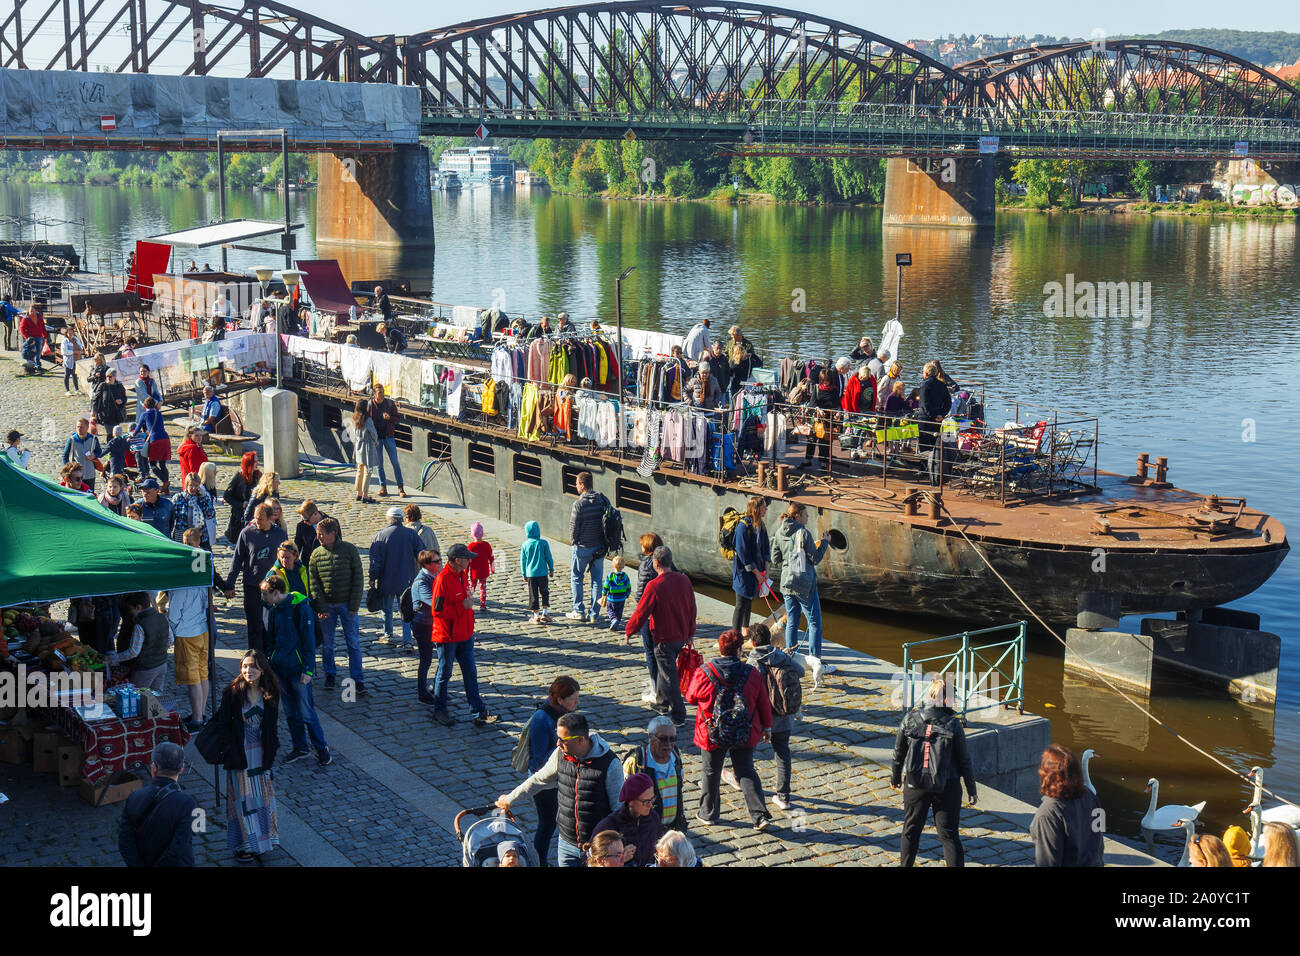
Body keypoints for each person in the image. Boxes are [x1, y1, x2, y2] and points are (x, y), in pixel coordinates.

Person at [497, 712, 626, 867]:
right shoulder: (560, 754)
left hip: (597, 847)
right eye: (557, 737)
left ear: (580, 740)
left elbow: (618, 809)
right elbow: (539, 780)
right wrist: (510, 799)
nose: (557, 743)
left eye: (562, 740)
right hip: (566, 842)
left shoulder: (609, 764)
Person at [686, 629, 773, 830]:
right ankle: (759, 816)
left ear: (721, 648)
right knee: (746, 771)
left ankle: (708, 813)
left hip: (712, 732)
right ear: (740, 649)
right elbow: (763, 702)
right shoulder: (751, 673)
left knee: (711, 771)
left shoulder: (704, 671)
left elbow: (691, 698)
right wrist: (766, 727)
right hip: (744, 730)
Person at [891, 676, 977, 867]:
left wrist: (896, 777)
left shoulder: (910, 718)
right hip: (947, 785)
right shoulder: (953, 724)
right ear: (945, 699)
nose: (955, 700)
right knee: (948, 835)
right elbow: (964, 761)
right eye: (954, 696)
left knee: (911, 830)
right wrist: (971, 789)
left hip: (915, 783)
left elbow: (898, 752)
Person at [210, 650, 281, 862]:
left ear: (262, 670)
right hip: (240, 755)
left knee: (261, 799)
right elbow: (223, 725)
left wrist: (271, 753)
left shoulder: (271, 693)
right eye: (245, 666)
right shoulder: (231, 693)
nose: (248, 670)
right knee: (242, 802)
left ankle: (263, 841)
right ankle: (244, 845)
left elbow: (272, 728)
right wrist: (229, 750)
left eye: (253, 666)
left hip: (260, 754)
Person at [261, 576, 332, 767]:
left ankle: (321, 748)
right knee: (291, 712)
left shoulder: (301, 608)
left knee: (306, 711)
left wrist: (308, 669)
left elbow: (309, 641)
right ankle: (300, 747)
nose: (263, 598)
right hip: (280, 669)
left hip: (298, 669)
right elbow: (271, 639)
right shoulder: (275, 610)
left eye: (265, 594)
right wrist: (271, 662)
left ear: (276, 593)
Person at [624, 546, 695, 726]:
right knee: (665, 672)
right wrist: (690, 632)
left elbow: (641, 612)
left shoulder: (654, 586)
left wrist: (629, 631)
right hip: (681, 635)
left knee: (669, 675)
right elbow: (692, 609)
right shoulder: (684, 580)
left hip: (664, 638)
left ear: (655, 563)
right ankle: (662, 704)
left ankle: (679, 714)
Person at [429, 543, 494, 727]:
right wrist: (462, 607)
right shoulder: (442, 580)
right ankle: (439, 710)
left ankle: (478, 711)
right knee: (444, 673)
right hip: (448, 637)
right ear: (457, 560)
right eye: (466, 558)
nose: (469, 561)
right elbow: (437, 611)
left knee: (470, 673)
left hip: (464, 634)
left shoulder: (461, 575)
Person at [747, 622, 804, 811]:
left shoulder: (754, 660)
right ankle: (784, 797)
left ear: (753, 642)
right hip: (784, 715)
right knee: (782, 753)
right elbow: (802, 671)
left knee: (746, 754)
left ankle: (744, 782)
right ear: (769, 639)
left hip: (761, 718)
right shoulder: (780, 655)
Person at [524, 675, 580, 865]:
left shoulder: (565, 715)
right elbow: (537, 760)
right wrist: (563, 748)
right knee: (547, 825)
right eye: (573, 699)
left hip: (562, 778)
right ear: (559, 700)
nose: (577, 703)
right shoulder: (541, 719)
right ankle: (538, 861)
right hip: (545, 784)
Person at [308, 517, 365, 695]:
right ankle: (330, 674)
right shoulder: (316, 555)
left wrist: (354, 605)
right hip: (327, 607)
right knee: (327, 644)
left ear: (333, 533)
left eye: (321, 534)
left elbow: (358, 579)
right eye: (317, 534)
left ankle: (358, 678)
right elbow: (314, 583)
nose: (319, 538)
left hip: (347, 604)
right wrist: (321, 607)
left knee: (353, 643)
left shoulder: (349, 550)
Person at [117, 742, 198, 867]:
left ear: (153, 768)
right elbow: (179, 846)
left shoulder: (134, 797)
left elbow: (125, 840)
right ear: (181, 768)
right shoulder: (187, 803)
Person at [221, 501, 287, 653]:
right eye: (256, 518)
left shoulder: (279, 534)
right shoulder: (247, 533)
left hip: (273, 588)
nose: (257, 522)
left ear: (270, 518)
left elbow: (285, 558)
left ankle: (271, 657)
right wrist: (229, 584)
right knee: (254, 626)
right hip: (252, 586)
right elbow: (237, 559)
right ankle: (256, 659)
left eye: (261, 519)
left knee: (272, 625)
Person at [1029, 744, 1105, 867]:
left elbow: (1048, 862)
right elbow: (1099, 842)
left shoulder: (1048, 813)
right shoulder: (1092, 797)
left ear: (1046, 776)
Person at [167, 529, 212, 732]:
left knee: (194, 678)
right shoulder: (203, 568)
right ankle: (200, 714)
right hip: (202, 628)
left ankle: (197, 719)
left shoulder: (181, 581)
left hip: (187, 632)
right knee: (202, 674)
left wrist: (173, 627)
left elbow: (174, 612)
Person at [777, 501, 831, 661]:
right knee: (814, 622)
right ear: (798, 516)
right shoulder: (803, 533)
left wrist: (792, 554)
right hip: (804, 584)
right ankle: (815, 659)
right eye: (806, 515)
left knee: (792, 620)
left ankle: (790, 655)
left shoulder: (780, 531)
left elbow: (775, 558)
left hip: (786, 583)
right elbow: (815, 559)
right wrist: (825, 542)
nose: (808, 518)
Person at [370, 506, 422, 650]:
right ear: (400, 519)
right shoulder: (411, 534)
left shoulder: (381, 535)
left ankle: (389, 635)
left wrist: (372, 577)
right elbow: (422, 553)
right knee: (406, 610)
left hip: (386, 580)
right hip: (407, 579)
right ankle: (407, 640)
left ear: (389, 519)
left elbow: (376, 560)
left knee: (386, 609)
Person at [622, 715, 687, 832]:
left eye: (672, 739)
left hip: (672, 830)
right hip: (644, 830)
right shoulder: (636, 763)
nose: (668, 744)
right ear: (650, 737)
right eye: (663, 739)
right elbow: (623, 800)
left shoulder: (676, 757)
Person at [594, 773, 665, 866]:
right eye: (645, 802)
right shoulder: (609, 825)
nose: (650, 805)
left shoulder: (653, 817)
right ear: (631, 801)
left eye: (652, 799)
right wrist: (619, 858)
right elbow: (591, 859)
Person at [106, 591, 171, 692]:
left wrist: (114, 658)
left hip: (145, 669)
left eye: (131, 609)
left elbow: (133, 652)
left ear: (138, 607)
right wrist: (158, 650)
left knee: (137, 698)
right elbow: (170, 639)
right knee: (156, 697)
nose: (130, 613)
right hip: (162, 665)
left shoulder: (139, 624)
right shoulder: (162, 617)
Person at [566, 470, 608, 623]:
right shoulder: (602, 500)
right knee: (597, 580)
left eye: (577, 484)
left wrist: (574, 542)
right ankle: (594, 614)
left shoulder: (579, 504)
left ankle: (579, 611)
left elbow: (573, 527)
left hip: (582, 547)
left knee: (577, 577)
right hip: (599, 548)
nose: (575, 486)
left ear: (582, 486)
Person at [730, 495, 770, 636]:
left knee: (749, 600)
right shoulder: (743, 527)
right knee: (741, 603)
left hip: (756, 571)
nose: (766, 509)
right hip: (743, 572)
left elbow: (766, 548)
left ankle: (745, 630)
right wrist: (757, 573)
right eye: (764, 506)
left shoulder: (761, 526)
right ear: (756, 508)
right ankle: (735, 635)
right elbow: (743, 554)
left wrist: (766, 569)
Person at [410, 549, 443, 704]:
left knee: (445, 657)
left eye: (440, 560)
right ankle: (422, 693)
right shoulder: (421, 582)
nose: (440, 563)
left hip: (434, 624)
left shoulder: (435, 575)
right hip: (422, 626)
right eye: (436, 561)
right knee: (426, 660)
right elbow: (436, 604)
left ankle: (437, 688)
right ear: (427, 565)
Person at [367, 383, 406, 498]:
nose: (382, 394)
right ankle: (383, 487)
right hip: (377, 438)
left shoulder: (389, 403)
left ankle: (400, 487)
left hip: (389, 437)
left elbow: (397, 418)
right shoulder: (370, 405)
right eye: (380, 392)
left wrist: (390, 418)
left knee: (395, 462)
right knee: (379, 464)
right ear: (375, 394)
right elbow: (367, 421)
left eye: (383, 391)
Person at [801, 367, 839, 472]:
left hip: (828, 418)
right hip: (817, 418)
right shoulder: (817, 388)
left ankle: (823, 461)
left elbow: (837, 405)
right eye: (823, 381)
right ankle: (808, 459)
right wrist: (818, 410)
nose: (825, 383)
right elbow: (812, 404)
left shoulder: (834, 390)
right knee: (811, 439)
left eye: (827, 381)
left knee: (825, 441)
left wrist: (837, 412)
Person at [132, 397, 171, 491]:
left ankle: (165, 481)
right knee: (162, 464)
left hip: (155, 440)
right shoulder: (159, 413)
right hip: (165, 439)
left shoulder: (145, 414)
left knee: (152, 464)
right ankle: (165, 487)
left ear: (145, 406)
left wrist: (132, 435)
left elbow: (138, 428)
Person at [171, 471, 217, 550]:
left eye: (196, 485)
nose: (193, 488)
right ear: (186, 486)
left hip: (200, 536)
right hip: (182, 535)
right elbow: (171, 516)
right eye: (191, 485)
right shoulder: (178, 498)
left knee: (202, 559)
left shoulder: (204, 497)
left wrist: (203, 499)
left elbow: (211, 514)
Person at [520, 520, 555, 624]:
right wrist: (551, 569)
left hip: (531, 575)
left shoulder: (525, 545)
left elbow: (523, 560)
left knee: (533, 594)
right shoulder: (543, 543)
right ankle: (545, 613)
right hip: (543, 574)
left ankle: (536, 616)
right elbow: (548, 557)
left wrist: (524, 573)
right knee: (545, 592)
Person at [917, 360, 953, 459]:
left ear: (926, 373)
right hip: (938, 418)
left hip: (925, 418)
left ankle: (924, 468)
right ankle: (933, 466)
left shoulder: (925, 384)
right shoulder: (942, 385)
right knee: (934, 443)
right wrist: (942, 414)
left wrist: (933, 415)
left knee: (924, 444)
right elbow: (948, 402)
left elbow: (924, 404)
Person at [223, 452, 260, 544]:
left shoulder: (258, 475)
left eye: (257, 461)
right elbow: (227, 495)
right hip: (240, 515)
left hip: (254, 513)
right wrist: (241, 504)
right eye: (255, 461)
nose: (257, 463)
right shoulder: (238, 477)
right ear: (249, 463)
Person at [347, 398, 379, 504]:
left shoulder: (355, 418)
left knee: (359, 471)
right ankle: (365, 495)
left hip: (358, 446)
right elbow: (373, 432)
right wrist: (376, 441)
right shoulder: (368, 420)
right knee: (368, 471)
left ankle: (359, 493)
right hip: (367, 447)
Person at [62, 418, 104, 494]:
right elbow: (65, 455)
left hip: (89, 474)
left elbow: (99, 452)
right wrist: (67, 470)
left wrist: (94, 455)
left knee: (89, 494)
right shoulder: (72, 440)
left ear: (87, 428)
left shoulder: (93, 439)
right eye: (77, 427)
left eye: (81, 427)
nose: (79, 429)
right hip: (75, 476)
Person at [466, 521, 495, 612]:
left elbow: (467, 562)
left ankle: (469, 603)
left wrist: (465, 572)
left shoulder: (470, 547)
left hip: (474, 572)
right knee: (483, 588)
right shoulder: (486, 545)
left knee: (472, 588)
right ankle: (482, 604)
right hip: (483, 571)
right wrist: (492, 568)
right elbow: (491, 557)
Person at [93, 366, 129, 435]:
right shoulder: (102, 386)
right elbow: (95, 399)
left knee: (116, 433)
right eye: (107, 376)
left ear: (115, 377)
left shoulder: (119, 386)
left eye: (110, 376)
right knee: (109, 433)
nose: (108, 378)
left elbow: (125, 398)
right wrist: (94, 411)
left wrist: (121, 401)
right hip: (106, 414)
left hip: (117, 414)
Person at [295, 500, 332, 565]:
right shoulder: (301, 526)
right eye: (302, 519)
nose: (305, 522)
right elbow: (297, 547)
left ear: (315, 513)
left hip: (327, 562)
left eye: (306, 519)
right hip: (309, 563)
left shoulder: (332, 523)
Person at [724, 324, 757, 395]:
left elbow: (753, 357)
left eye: (732, 335)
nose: (731, 337)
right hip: (732, 371)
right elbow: (726, 354)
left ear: (738, 335)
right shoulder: (730, 343)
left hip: (743, 372)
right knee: (732, 390)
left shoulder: (748, 344)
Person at [601, 555, 631, 632]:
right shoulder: (625, 576)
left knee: (610, 610)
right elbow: (628, 586)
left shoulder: (610, 576)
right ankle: (617, 620)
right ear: (623, 566)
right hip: (621, 598)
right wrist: (627, 593)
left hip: (612, 598)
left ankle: (613, 619)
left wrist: (604, 594)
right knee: (619, 611)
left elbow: (606, 586)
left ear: (613, 566)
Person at [18, 304, 48, 369]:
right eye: (30, 311)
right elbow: (22, 328)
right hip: (31, 338)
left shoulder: (39, 316)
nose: (31, 312)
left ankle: (38, 365)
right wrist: (27, 337)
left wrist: (45, 335)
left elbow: (42, 326)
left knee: (38, 352)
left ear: (36, 311)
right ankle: (31, 365)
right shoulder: (26, 318)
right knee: (32, 351)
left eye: (32, 311)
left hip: (39, 337)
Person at [60, 325, 82, 394]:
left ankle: (77, 390)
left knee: (75, 375)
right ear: (66, 334)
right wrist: (74, 352)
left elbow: (81, 346)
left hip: (76, 360)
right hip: (69, 360)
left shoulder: (75, 339)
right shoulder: (65, 341)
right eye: (69, 333)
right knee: (67, 375)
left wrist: (81, 350)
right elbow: (64, 352)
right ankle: (67, 391)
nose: (71, 334)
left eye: (72, 333)